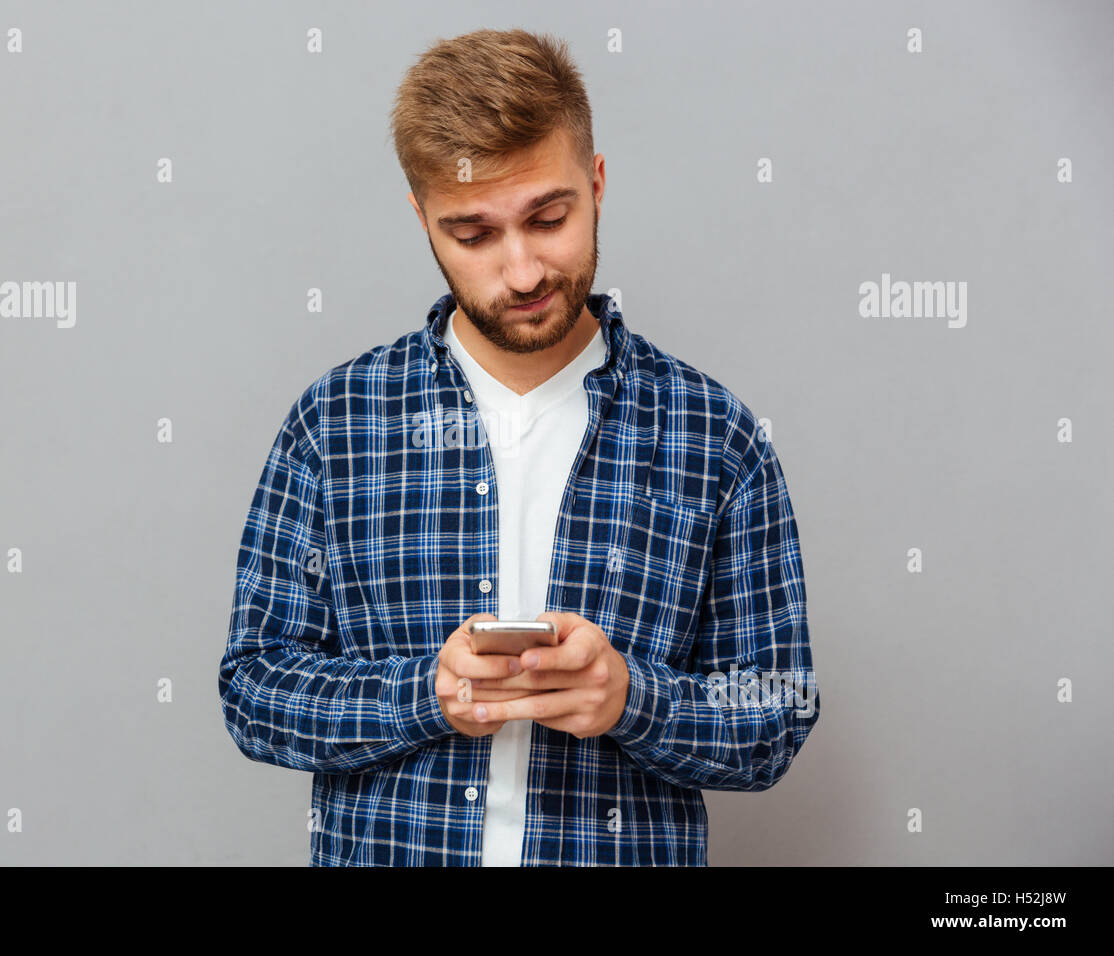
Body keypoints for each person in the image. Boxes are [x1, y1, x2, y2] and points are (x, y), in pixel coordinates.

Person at [218, 28, 820, 866]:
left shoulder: (715, 436)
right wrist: (424, 693)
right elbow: (252, 691)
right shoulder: (335, 424)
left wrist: (631, 699)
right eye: (473, 234)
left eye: (549, 217)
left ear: (598, 183)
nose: (525, 269)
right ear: (421, 218)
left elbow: (779, 710)